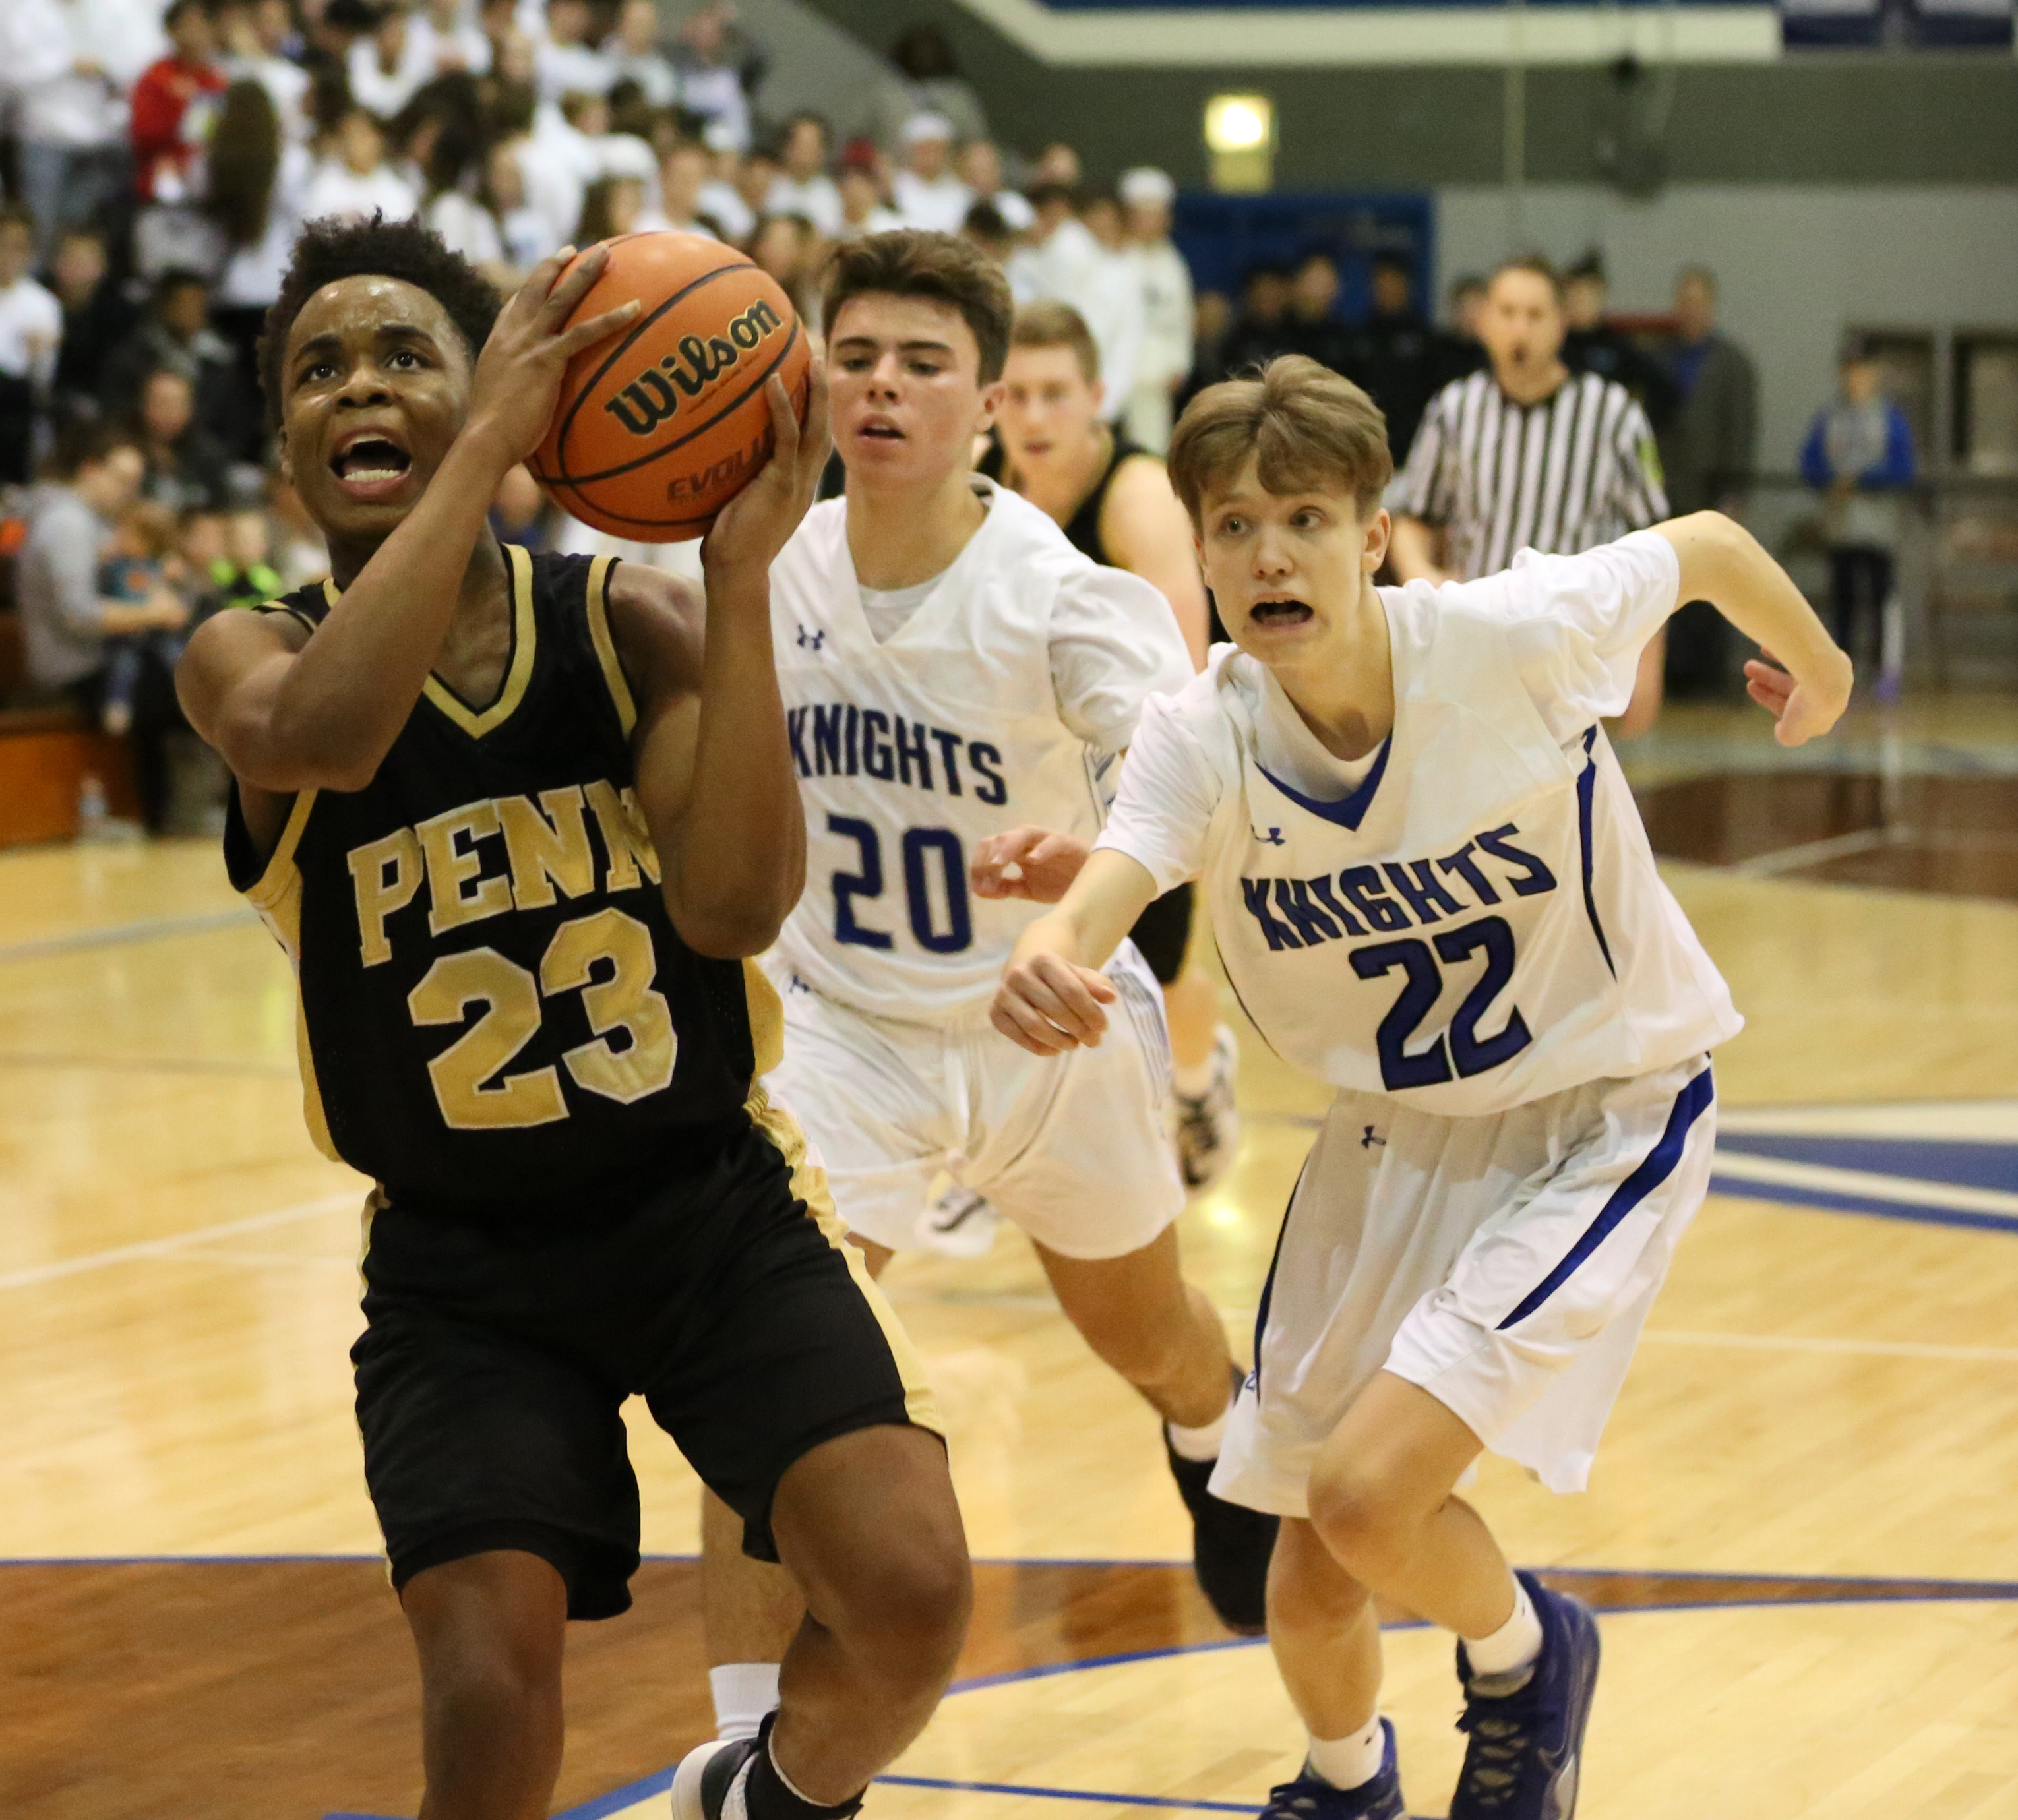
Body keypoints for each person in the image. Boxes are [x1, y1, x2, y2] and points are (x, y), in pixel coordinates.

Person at [173, 213, 970, 1820]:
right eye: (323, 369)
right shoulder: (248, 652)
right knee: (485, 1705)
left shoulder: (621, 628)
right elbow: (327, 737)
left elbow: (736, 913)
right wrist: (480, 446)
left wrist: (738, 583)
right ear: (287, 456)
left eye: (408, 352)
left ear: (513, 394)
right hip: (466, 1270)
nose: (362, 384)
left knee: (911, 1591)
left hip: (698, 1211)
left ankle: (771, 1798)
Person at [985, 353, 1852, 1820]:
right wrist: (1051, 952)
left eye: (1308, 520)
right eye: (1238, 527)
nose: (1271, 553)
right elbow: (1117, 878)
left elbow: (1704, 547)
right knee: (1308, 1572)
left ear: (1373, 535)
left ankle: (1528, 1658)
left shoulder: (1503, 639)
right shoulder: (1205, 733)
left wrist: (1820, 676)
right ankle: (1347, 1785)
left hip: (1601, 1108)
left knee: (1367, 1497)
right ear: (1201, 554)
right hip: (1394, 1140)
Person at [696, 229, 1278, 1749]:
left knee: (1144, 1332)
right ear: (820, 375)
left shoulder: (1063, 597)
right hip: (840, 1034)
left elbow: (1196, 794)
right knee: (756, 1378)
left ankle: (1212, 1428)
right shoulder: (758, 567)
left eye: (925, 364)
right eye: (861, 355)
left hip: (1048, 1026)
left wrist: (1078, 896)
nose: (884, 386)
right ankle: (750, 1743)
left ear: (991, 404)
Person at [991, 298, 1239, 1192]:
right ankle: (986, 1161)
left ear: (1097, 396)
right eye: (1014, 394)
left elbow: (1182, 670)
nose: (1033, 416)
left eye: (1055, 393)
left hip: (1137, 758)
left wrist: (1179, 812)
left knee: (1162, 967)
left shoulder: (1135, 498)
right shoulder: (976, 487)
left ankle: (1203, 1080)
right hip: (1026, 752)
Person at [1388, 257, 1670, 736]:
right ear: (1484, 322)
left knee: (1572, 802)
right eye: (1508, 312)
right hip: (1477, 641)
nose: (1520, 327)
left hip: (1576, 650)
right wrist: (1423, 575)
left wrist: (1648, 664)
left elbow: (1657, 547)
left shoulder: (1614, 414)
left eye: (1535, 315)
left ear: (1561, 325)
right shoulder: (1454, 409)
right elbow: (1414, 516)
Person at [20, 420, 189, 827]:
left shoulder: (94, 523)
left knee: (180, 680)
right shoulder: (67, 524)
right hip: (74, 667)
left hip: (105, 657)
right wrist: (155, 612)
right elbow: (79, 615)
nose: (130, 491)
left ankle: (167, 814)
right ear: (91, 469)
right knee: (184, 691)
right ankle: (169, 816)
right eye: (122, 480)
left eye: (135, 482)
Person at [1657, 266, 1758, 699]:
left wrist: (1736, 492)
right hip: (1666, 490)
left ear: (1711, 306)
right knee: (1667, 584)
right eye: (1684, 301)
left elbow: (1742, 429)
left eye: (1698, 302)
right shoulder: (1658, 360)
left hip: (1712, 491)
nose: (1690, 310)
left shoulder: (1733, 364)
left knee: (1714, 586)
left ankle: (1711, 676)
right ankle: (1672, 676)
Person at [1800, 339, 1917, 700]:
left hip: (1879, 529)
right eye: (1850, 372)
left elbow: (1904, 468)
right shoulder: (1830, 417)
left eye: (1863, 371)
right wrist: (1828, 480)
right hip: (1841, 528)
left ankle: (1885, 672)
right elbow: (1809, 462)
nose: (1856, 379)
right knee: (1843, 600)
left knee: (1881, 599)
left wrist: (1862, 480)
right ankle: (1842, 671)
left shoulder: (1890, 419)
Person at [1118, 167, 1192, 456]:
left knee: (1152, 450)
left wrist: (1180, 364)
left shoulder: (1172, 262)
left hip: (1155, 376)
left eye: (1157, 214)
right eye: (1144, 213)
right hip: (1117, 373)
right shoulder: (1116, 257)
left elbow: (1182, 320)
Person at [1560, 251, 1676, 429]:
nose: (1579, 303)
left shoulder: (1615, 346)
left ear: (1600, 297)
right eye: (1574, 295)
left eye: (1586, 295)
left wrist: (1635, 423)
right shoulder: (1556, 345)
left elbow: (1663, 389)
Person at [130, 0, 226, 206]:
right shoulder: (156, 76)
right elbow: (142, 132)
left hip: (206, 180)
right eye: (189, 25)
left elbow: (210, 134)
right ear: (173, 31)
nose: (197, 33)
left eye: (203, 25)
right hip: (160, 175)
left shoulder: (216, 82)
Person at [0, 206, 62, 487]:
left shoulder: (43, 304)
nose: (6, 254)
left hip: (17, 406)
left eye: (16, 246)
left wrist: (40, 354)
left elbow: (43, 380)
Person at [890, 114, 971, 235]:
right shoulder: (894, 188)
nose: (931, 156)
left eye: (937, 149)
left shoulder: (963, 192)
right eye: (924, 149)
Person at [766, 113, 843, 239]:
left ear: (822, 151)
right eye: (800, 144)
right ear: (786, 147)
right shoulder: (767, 187)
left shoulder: (832, 195)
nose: (804, 151)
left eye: (811, 144)